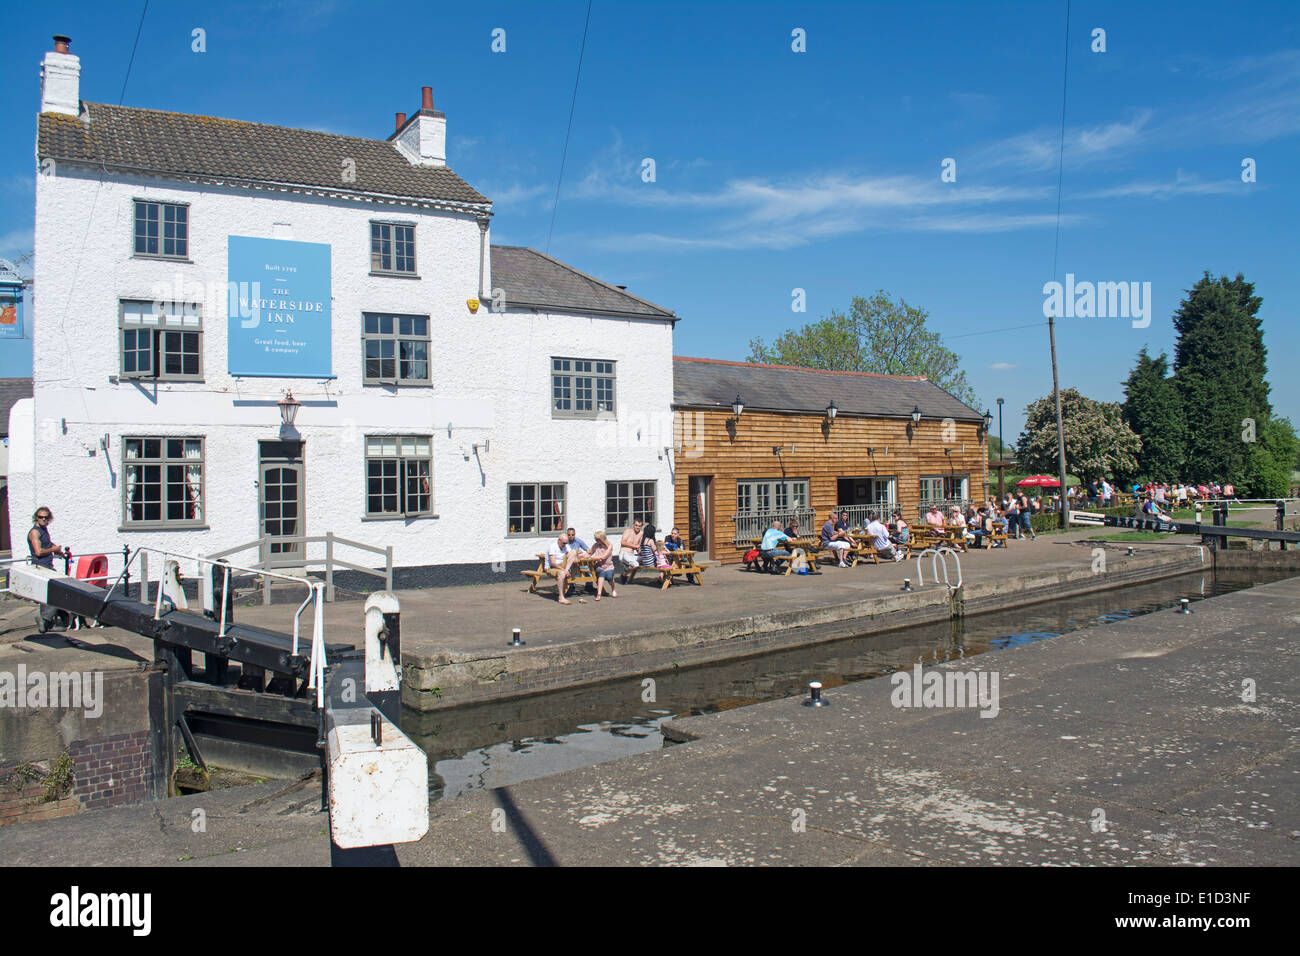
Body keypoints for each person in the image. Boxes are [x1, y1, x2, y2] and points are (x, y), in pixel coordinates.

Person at [28, 507, 67, 633]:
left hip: (48, 565)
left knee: (54, 592)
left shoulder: (43, 530)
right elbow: (38, 551)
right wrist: (53, 550)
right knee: (53, 592)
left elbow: (48, 543)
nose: (43, 519)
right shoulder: (35, 532)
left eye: (46, 517)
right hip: (41, 566)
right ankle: (45, 619)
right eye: (40, 517)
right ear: (36, 517)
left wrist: (59, 551)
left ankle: (47, 622)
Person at [547, 532, 583, 605]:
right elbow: (553, 563)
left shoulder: (566, 546)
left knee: (573, 551)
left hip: (563, 566)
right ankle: (561, 597)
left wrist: (575, 557)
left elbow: (572, 554)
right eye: (564, 543)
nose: (565, 545)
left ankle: (567, 571)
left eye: (566, 543)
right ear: (559, 541)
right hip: (552, 567)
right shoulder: (553, 547)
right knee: (562, 573)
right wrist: (563, 570)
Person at [588, 531, 617, 600]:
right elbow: (590, 553)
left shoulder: (609, 545)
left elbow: (604, 556)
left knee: (610, 578)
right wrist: (585, 556)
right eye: (596, 540)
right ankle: (599, 594)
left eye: (598, 540)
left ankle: (613, 589)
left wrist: (593, 558)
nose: (597, 541)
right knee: (601, 575)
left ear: (602, 539)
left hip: (609, 566)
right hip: (599, 565)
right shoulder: (595, 545)